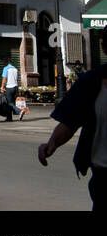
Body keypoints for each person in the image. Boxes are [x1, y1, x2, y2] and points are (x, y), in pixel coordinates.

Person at [37, 62, 107, 211]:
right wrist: (52, 143)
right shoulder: (92, 81)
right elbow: (70, 120)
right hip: (104, 177)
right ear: (104, 47)